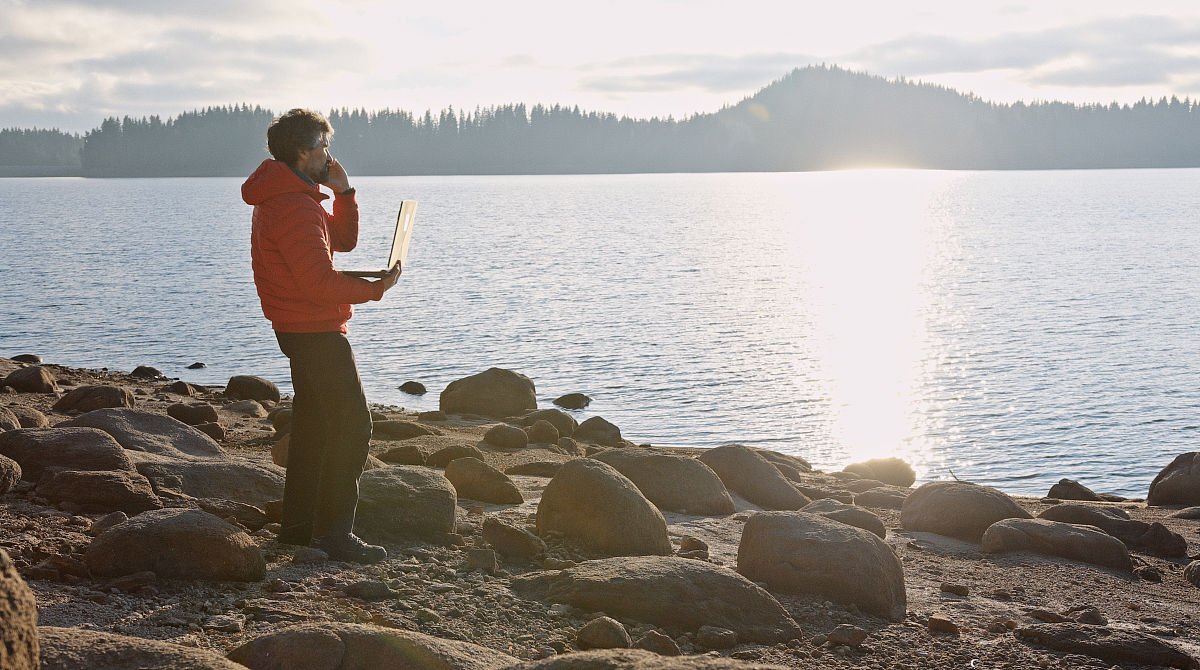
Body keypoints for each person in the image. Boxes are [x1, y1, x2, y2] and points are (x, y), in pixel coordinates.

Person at [241, 108, 400, 563]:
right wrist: (374, 290)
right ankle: (335, 534)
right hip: (315, 331)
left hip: (301, 327)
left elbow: (341, 243)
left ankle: (297, 529)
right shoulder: (292, 206)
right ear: (303, 151)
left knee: (313, 428)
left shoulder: (296, 197)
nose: (330, 156)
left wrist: (344, 192)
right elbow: (317, 283)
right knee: (352, 427)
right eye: (325, 148)